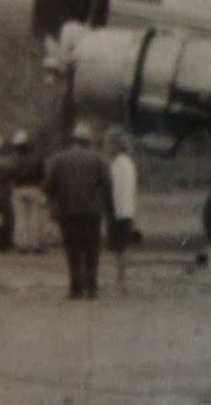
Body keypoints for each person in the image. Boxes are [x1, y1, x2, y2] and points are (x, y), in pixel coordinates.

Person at [43, 121, 112, 300]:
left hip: (67, 212)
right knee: (91, 251)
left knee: (72, 251)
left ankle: (75, 288)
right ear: (88, 141)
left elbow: (48, 186)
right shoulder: (98, 160)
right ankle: (92, 287)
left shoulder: (58, 160)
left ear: (73, 140)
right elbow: (107, 185)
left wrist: (54, 203)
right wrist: (106, 207)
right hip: (92, 213)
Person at [105, 127, 139, 292]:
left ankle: (121, 280)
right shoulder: (128, 163)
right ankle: (121, 280)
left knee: (120, 248)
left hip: (118, 210)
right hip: (126, 209)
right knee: (122, 247)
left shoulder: (118, 164)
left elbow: (115, 189)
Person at [6, 130, 48, 253]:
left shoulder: (13, 160)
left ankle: (21, 244)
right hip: (34, 189)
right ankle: (36, 244)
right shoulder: (37, 158)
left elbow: (9, 175)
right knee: (36, 217)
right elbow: (43, 174)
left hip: (18, 189)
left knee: (20, 218)